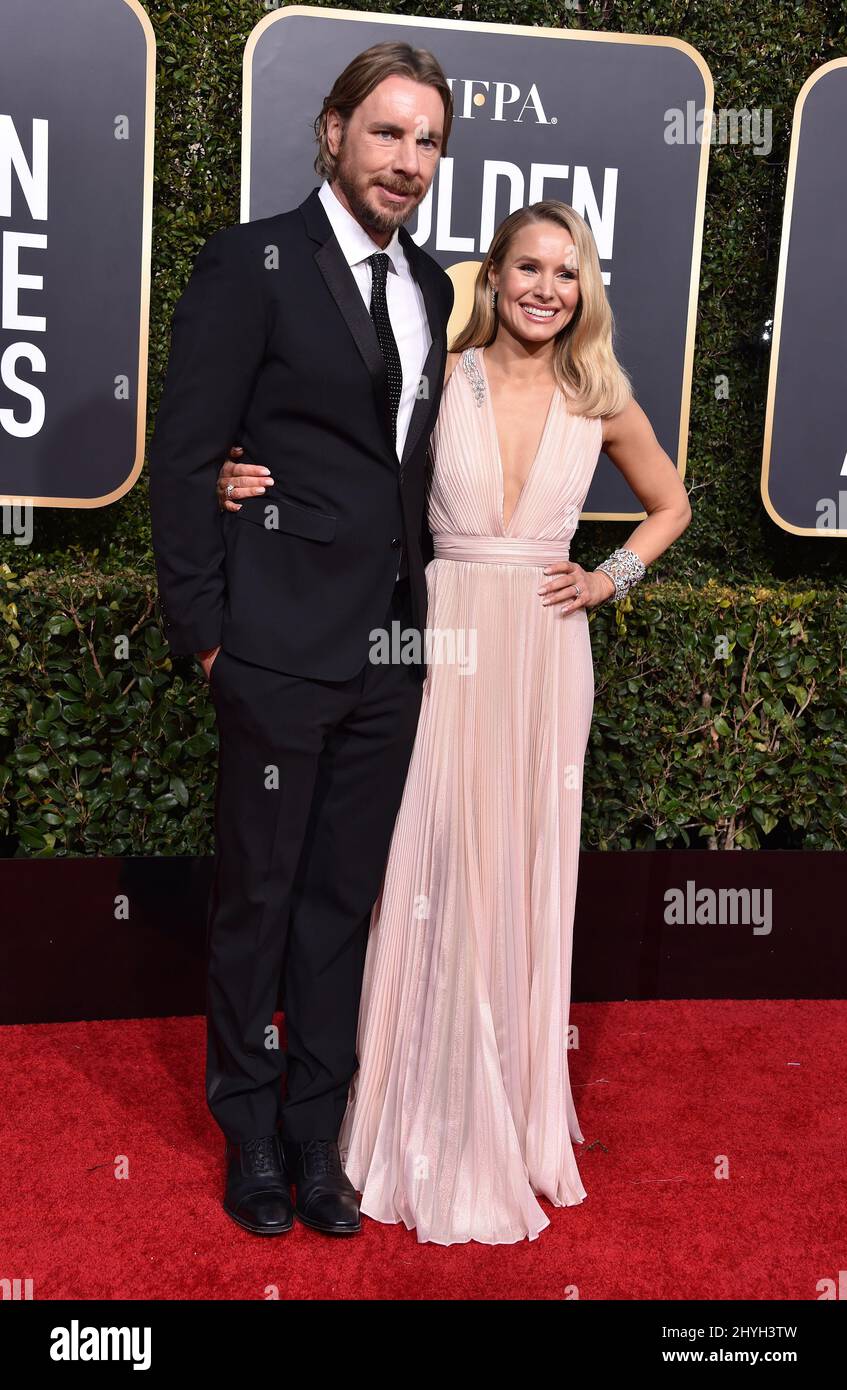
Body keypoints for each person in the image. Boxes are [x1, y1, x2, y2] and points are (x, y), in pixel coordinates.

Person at [217, 200, 692, 1243]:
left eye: (566, 274)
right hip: (438, 645)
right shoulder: (441, 378)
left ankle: (504, 1116)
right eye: (528, 266)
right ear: (496, 275)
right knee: (421, 874)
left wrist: (608, 579)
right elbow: (344, 455)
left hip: (544, 655)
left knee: (517, 874)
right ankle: (388, 1112)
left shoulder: (600, 397)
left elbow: (672, 505)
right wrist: (241, 472)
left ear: (585, 290)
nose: (545, 289)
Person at [148, 42, 455, 1237]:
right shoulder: (252, 261)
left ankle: (318, 1145)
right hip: (272, 651)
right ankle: (251, 1136)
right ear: (332, 131)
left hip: (387, 656)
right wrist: (208, 638)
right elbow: (185, 458)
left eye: (426, 141)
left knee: (340, 905)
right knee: (258, 903)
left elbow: (405, 470)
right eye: (386, 133)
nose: (407, 161)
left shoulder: (431, 288)